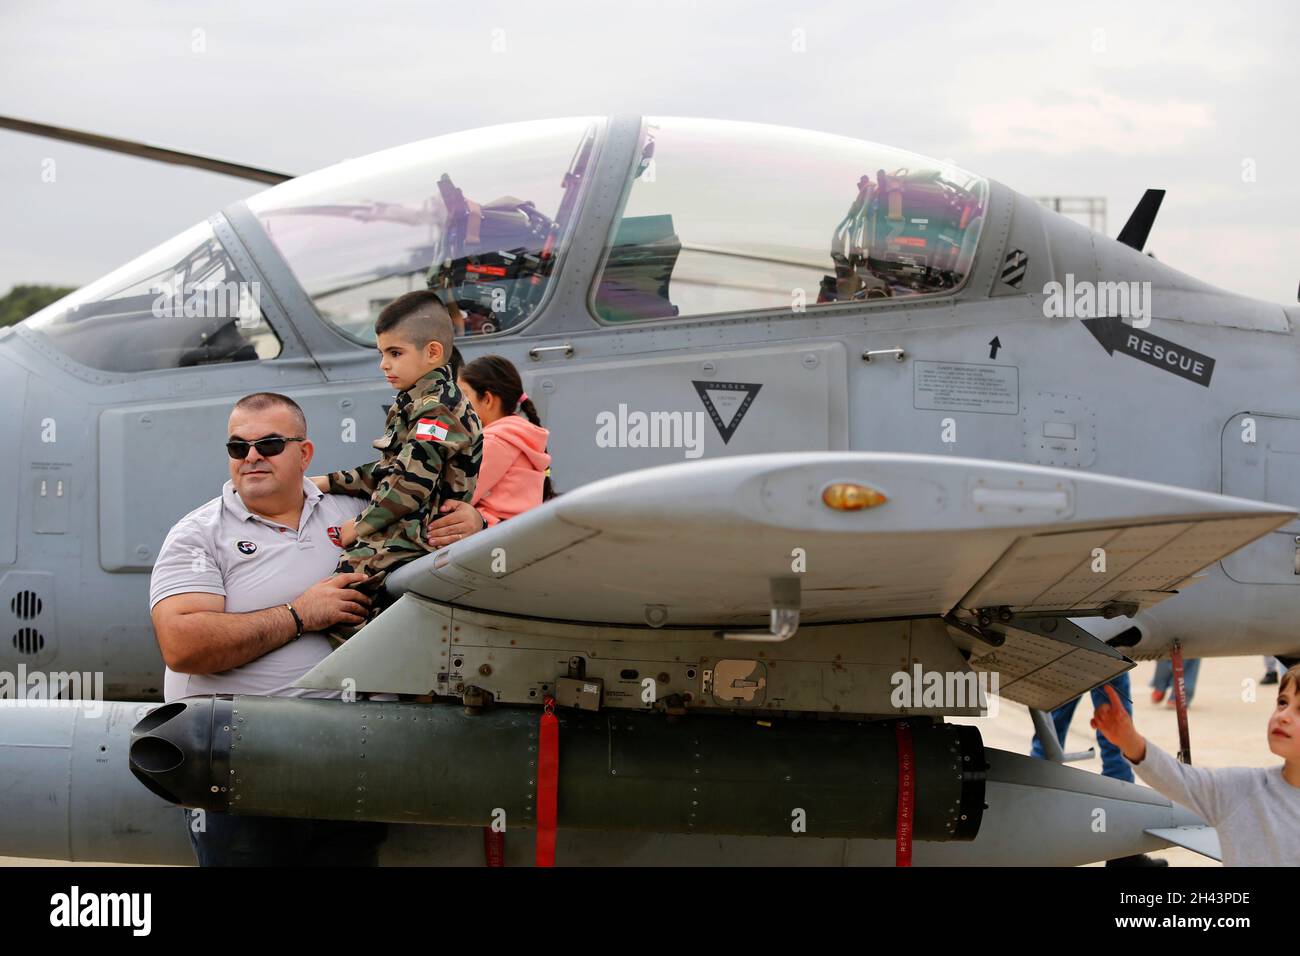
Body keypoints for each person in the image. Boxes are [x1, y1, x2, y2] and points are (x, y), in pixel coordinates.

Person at [149, 391, 484, 865]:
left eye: (268, 444)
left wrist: (473, 521)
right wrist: (299, 616)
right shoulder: (200, 534)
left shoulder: (357, 513)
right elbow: (182, 646)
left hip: (354, 765)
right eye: (237, 447)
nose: (251, 458)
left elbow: (446, 536)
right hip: (243, 768)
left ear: (304, 453)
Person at [310, 290, 483, 644]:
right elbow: (390, 469)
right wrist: (328, 482)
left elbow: (410, 485)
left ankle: (373, 688)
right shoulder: (418, 401)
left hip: (416, 534)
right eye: (382, 354)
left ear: (432, 352)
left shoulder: (436, 409)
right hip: (408, 528)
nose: (384, 364)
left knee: (341, 599)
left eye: (395, 353)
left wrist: (358, 528)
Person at [1091, 665, 1300, 866]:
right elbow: (1179, 780)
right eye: (1283, 702)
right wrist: (1129, 741)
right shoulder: (1244, 789)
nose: (1283, 716)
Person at [1029, 671, 1166, 866]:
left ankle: (1034, 839)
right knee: (1117, 740)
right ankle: (1122, 851)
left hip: (1063, 649)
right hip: (1104, 645)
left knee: (1048, 732)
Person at [457, 354, 553, 525]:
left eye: (463, 396)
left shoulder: (494, 441)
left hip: (495, 533)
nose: (456, 406)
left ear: (487, 399)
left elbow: (459, 495)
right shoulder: (515, 433)